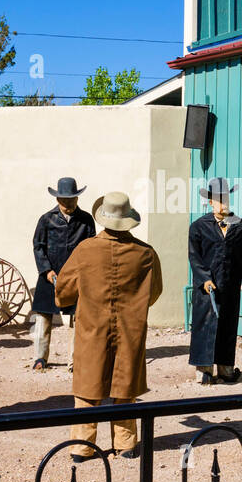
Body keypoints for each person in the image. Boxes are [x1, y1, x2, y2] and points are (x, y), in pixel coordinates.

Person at [54, 192, 162, 462]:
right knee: (124, 387)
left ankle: (82, 446)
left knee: (88, 388)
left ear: (103, 219)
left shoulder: (85, 250)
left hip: (92, 328)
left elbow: (63, 291)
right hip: (130, 328)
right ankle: (125, 444)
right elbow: (155, 292)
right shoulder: (145, 254)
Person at [188, 177, 242, 384]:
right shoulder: (198, 227)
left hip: (229, 286)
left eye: (226, 199)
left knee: (228, 325)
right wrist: (204, 278)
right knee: (205, 325)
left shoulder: (241, 227)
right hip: (206, 289)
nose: (223, 204)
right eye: (218, 200)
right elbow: (195, 257)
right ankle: (204, 368)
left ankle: (225, 368)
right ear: (210, 202)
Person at [29, 176, 96, 371]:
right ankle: (40, 358)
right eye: (64, 200)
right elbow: (38, 246)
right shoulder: (46, 219)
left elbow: (91, 246)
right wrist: (46, 270)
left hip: (77, 277)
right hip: (49, 276)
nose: (68, 204)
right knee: (43, 317)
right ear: (57, 200)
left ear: (77, 198)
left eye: (72, 200)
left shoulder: (86, 220)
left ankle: (75, 360)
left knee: (77, 318)